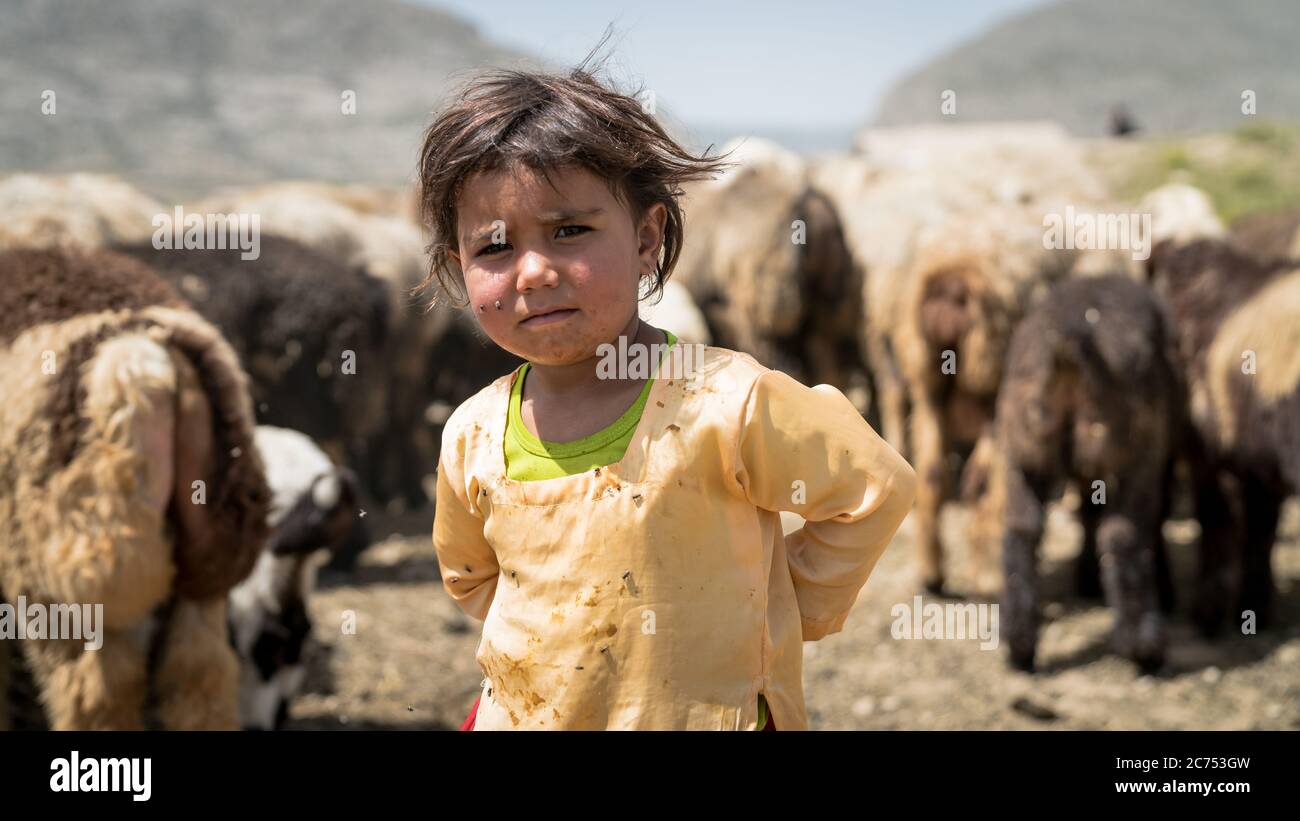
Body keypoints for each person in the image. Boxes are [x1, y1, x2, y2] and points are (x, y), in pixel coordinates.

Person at [420, 51, 917, 731]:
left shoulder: (727, 402)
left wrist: (778, 607)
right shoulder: (473, 435)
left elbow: (873, 487)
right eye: (495, 247)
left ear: (647, 237)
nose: (532, 271)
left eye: (570, 231)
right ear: (460, 266)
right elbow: (475, 576)